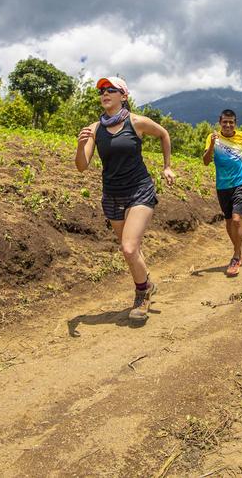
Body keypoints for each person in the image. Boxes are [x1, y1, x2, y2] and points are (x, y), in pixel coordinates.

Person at [75, 76, 176, 321]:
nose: (104, 93)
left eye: (110, 89)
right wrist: (80, 146)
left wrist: (167, 167)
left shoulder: (136, 122)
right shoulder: (95, 129)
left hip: (139, 190)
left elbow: (163, 134)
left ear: (124, 96)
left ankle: (141, 295)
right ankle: (147, 284)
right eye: (101, 90)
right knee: (131, 251)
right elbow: (82, 166)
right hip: (112, 194)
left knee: (129, 247)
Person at [202, 109, 242, 277]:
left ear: (235, 123)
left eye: (231, 122)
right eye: (225, 122)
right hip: (222, 185)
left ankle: (236, 256)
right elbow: (206, 161)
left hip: (240, 183)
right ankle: (239, 250)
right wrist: (212, 146)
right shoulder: (212, 138)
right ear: (220, 122)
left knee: (237, 219)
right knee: (229, 221)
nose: (228, 125)